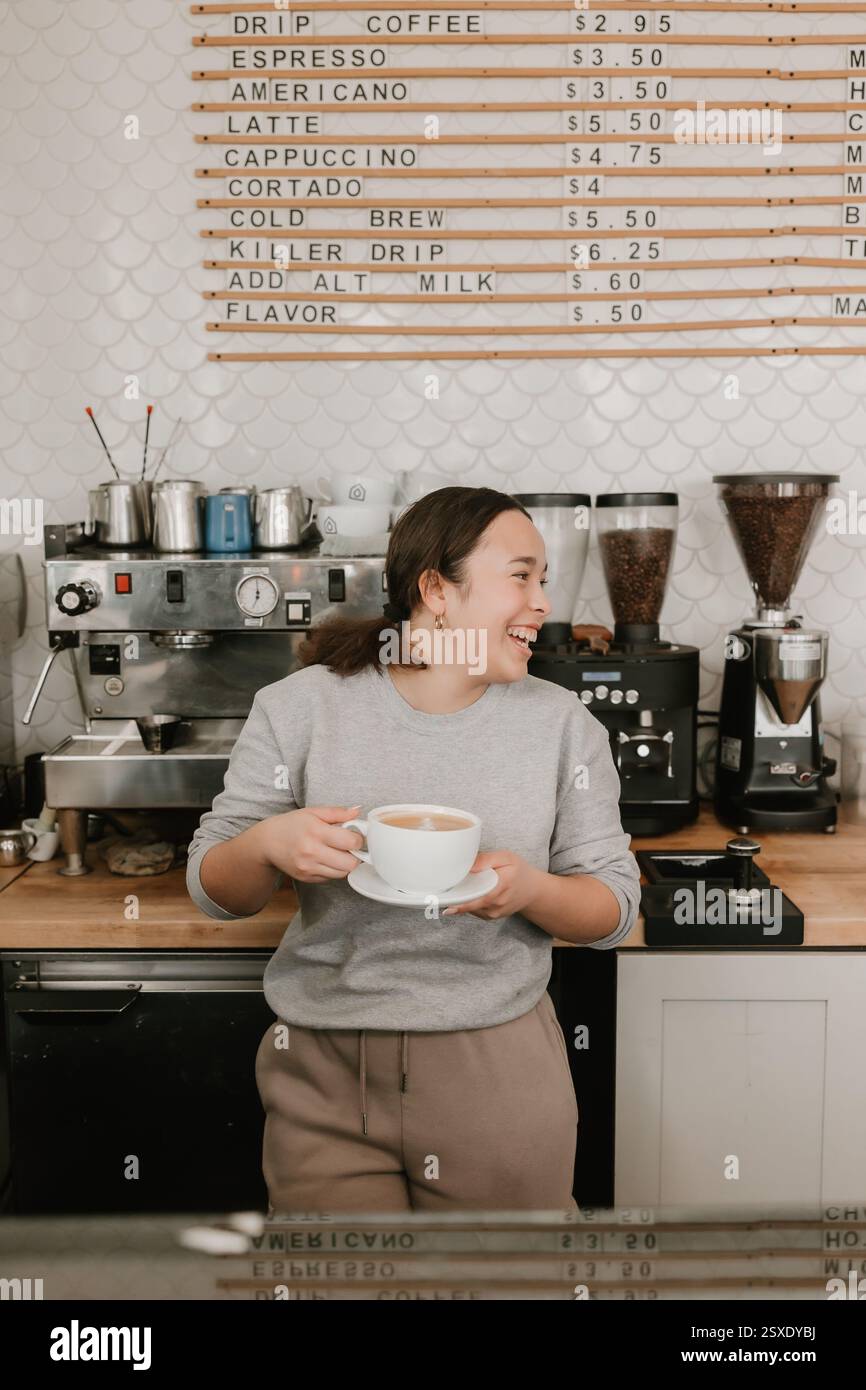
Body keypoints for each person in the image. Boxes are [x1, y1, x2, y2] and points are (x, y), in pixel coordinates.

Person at [186, 486, 641, 1214]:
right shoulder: (300, 707)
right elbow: (216, 891)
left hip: (497, 1073)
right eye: (521, 576)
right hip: (322, 1078)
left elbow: (614, 907)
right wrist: (269, 844)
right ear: (435, 589)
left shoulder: (562, 725)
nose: (542, 604)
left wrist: (530, 890)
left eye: (543, 580)